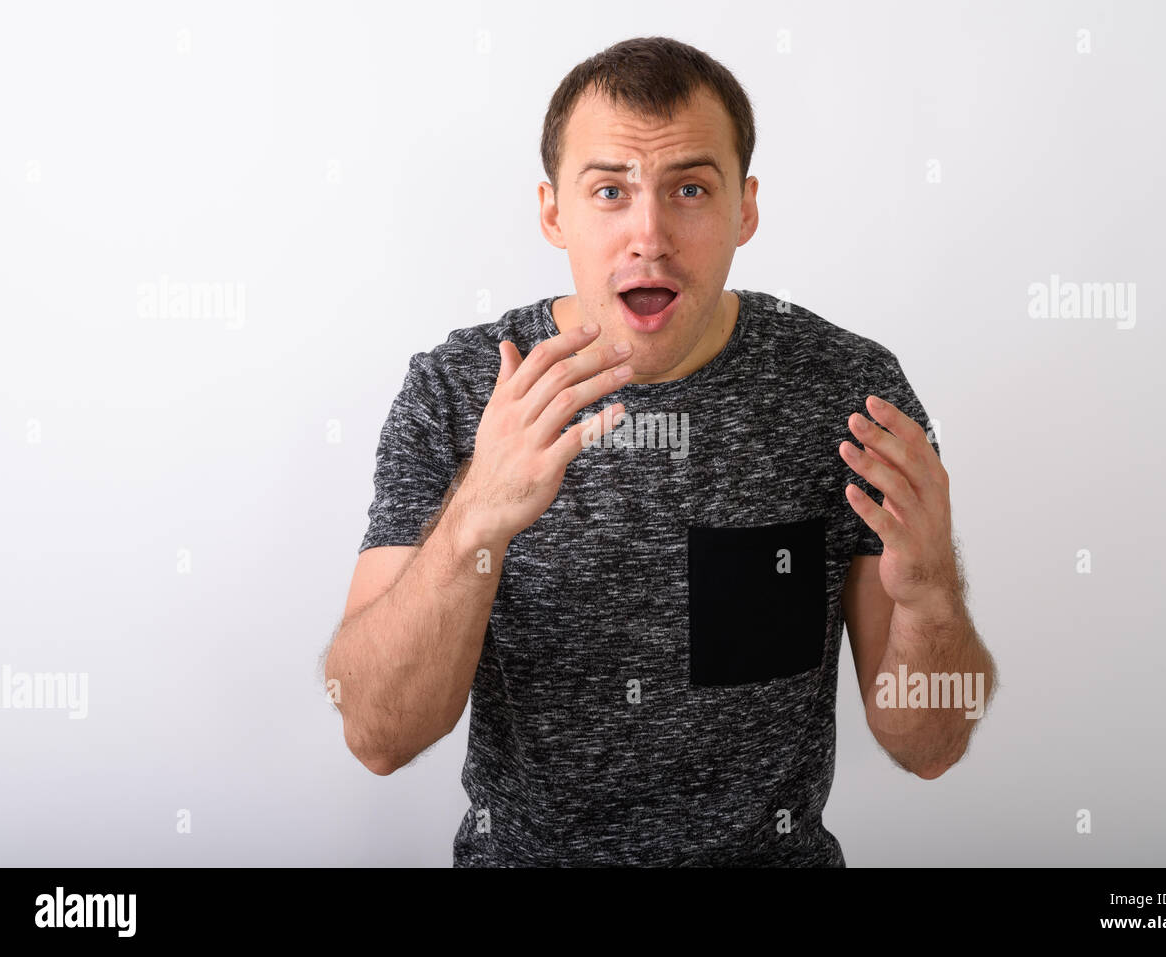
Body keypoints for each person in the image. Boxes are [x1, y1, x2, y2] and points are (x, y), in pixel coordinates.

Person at [323, 36, 997, 867]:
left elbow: (928, 744)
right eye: (610, 190)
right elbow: (377, 732)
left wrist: (932, 594)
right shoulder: (459, 391)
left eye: (689, 189)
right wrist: (476, 519)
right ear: (553, 212)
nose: (649, 234)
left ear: (745, 208)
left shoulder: (849, 392)